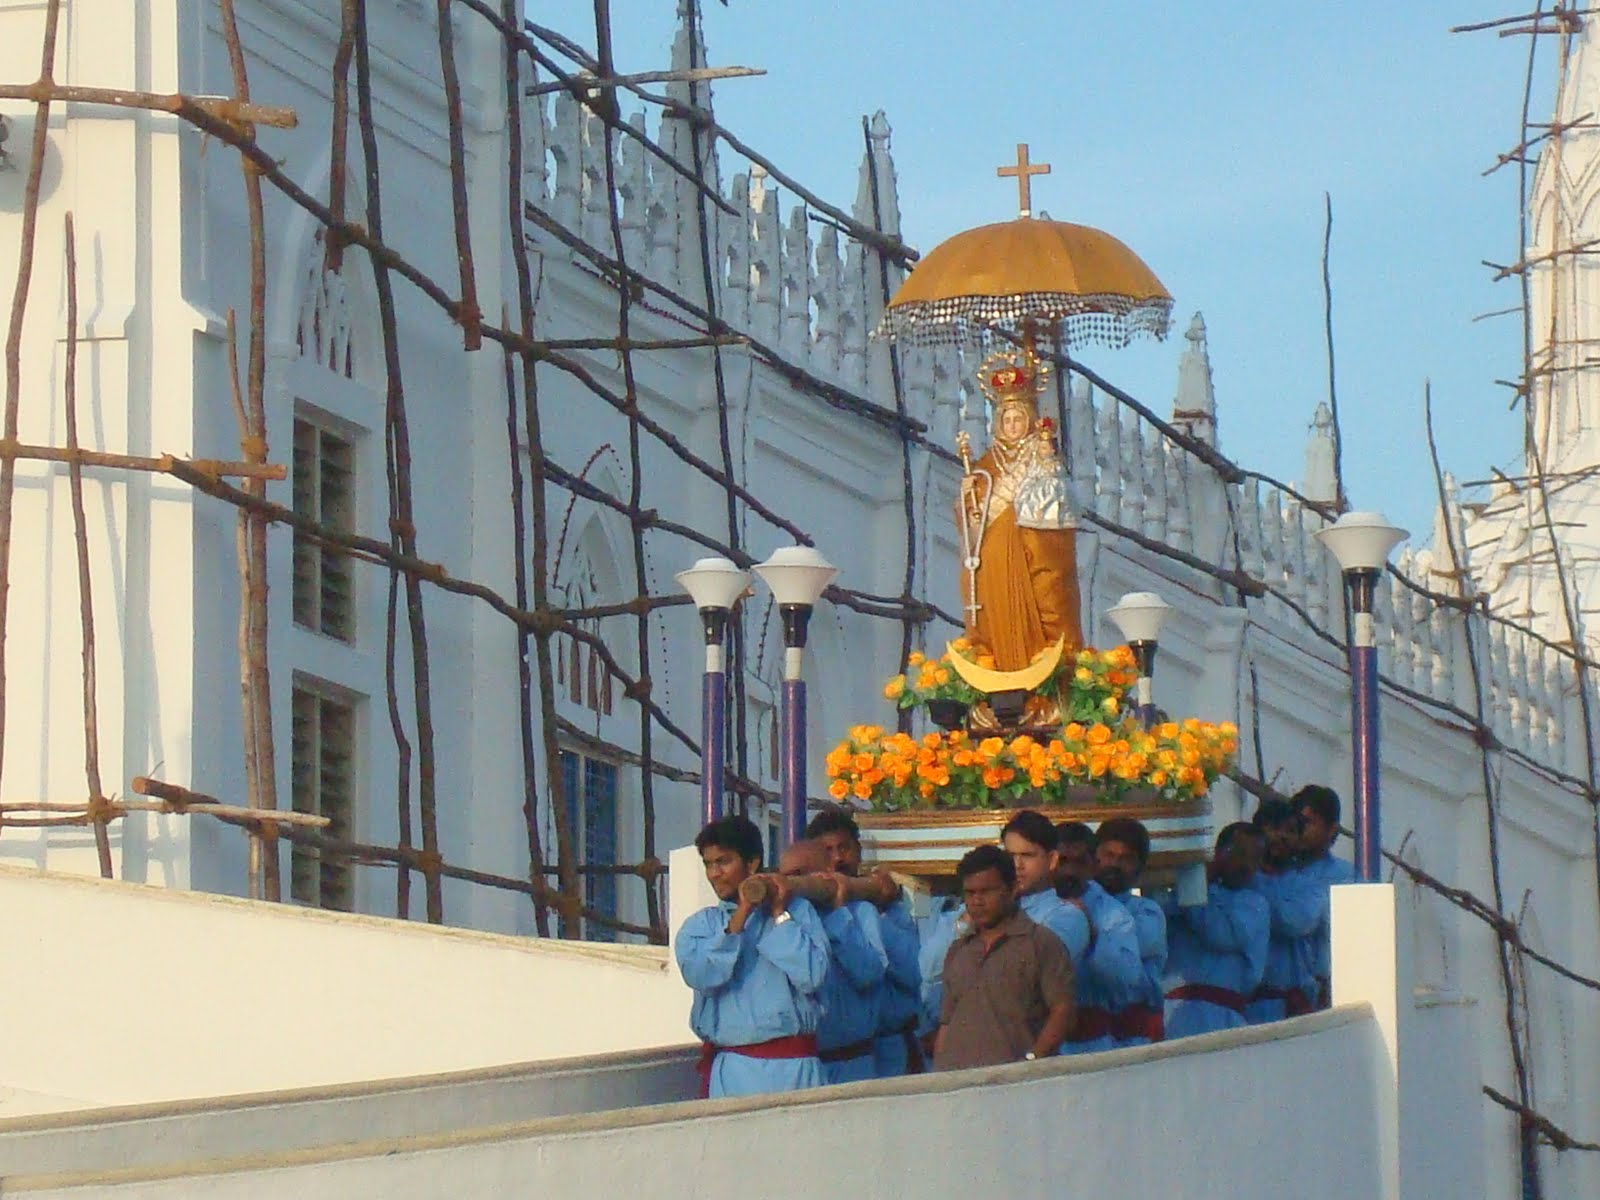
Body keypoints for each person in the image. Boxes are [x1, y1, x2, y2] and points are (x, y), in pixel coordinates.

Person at [674, 815, 829, 1098]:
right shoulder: (700, 926)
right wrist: (742, 913)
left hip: (797, 1068)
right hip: (734, 1070)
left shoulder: (798, 912)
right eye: (708, 864)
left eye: (723, 862)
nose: (714, 873)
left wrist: (777, 914)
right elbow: (701, 976)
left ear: (752, 863)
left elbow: (813, 976)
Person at [955, 351, 1083, 672]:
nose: (1012, 426)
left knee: (1045, 605)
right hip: (994, 565)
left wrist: (1046, 464)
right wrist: (967, 496)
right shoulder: (984, 465)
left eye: (1018, 419)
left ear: (1029, 419)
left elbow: (1059, 512)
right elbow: (971, 524)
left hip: (1031, 558)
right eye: (1007, 420)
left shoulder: (1043, 459)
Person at [935, 845, 1076, 1070]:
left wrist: (1032, 1062)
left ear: (1012, 889)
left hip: (1016, 1086)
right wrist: (939, 1075)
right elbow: (947, 1022)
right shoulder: (959, 950)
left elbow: (1063, 1011)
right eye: (971, 893)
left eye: (987, 891)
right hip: (960, 1087)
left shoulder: (1040, 943)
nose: (977, 901)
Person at [806, 809, 923, 1077]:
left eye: (844, 848)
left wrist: (877, 907)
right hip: (838, 1055)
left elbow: (914, 972)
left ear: (858, 851)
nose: (837, 858)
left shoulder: (889, 906)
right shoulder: (812, 912)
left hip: (894, 1046)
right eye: (827, 851)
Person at [779, 837, 886, 1086]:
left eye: (799, 875)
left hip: (856, 1063)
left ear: (827, 872)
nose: (793, 884)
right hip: (803, 1067)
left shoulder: (861, 912)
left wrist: (838, 915)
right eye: (786, 876)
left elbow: (868, 974)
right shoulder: (786, 922)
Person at [1161, 823, 1270, 1039]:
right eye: (1239, 854)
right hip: (1173, 1011)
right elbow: (1160, 912)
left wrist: (1196, 886)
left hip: (1223, 1014)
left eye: (1255, 857)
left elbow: (1219, 934)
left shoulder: (1254, 903)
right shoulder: (1180, 889)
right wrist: (1195, 878)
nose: (1246, 865)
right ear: (1219, 853)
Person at [1052, 820, 1144, 1053]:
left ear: (1094, 865)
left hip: (1091, 1044)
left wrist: (1092, 935)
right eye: (1063, 862)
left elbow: (1125, 984)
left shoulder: (1115, 915)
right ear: (1049, 861)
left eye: (1080, 862)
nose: (1070, 871)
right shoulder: (1027, 905)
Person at [1246, 799, 1322, 1024]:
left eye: (1290, 831)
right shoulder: (1242, 881)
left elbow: (1295, 921)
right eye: (1273, 828)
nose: (1282, 836)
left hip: (1299, 1006)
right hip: (1252, 1008)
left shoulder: (1309, 886)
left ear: (1299, 840)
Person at [1094, 817, 1168, 1045]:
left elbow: (1124, 948)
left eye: (1125, 858)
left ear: (1139, 868)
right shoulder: (1076, 905)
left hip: (1133, 1035)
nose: (1115, 864)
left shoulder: (1148, 913)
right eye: (1109, 855)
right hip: (1085, 1036)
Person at [1294, 784, 1357, 1009]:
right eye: (1297, 823)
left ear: (1332, 830)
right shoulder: (1278, 873)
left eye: (1308, 823)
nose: (1300, 830)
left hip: (1328, 998)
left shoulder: (1347, 877)